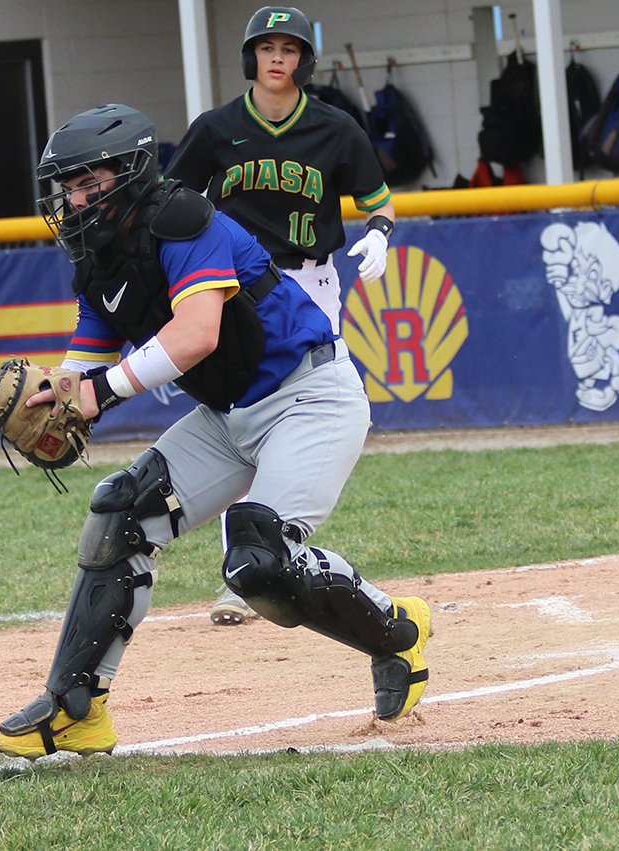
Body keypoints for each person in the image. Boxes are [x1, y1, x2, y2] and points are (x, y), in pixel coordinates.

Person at [0, 105, 431, 761]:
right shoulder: (99, 260)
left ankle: (398, 632)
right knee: (119, 514)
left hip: (310, 396)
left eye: (87, 183)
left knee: (259, 562)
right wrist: (57, 396)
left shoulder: (183, 221)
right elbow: (84, 365)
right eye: (67, 188)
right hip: (228, 415)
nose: (73, 200)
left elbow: (197, 334)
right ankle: (75, 708)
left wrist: (100, 392)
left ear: (130, 173)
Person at [164, 5, 397, 626]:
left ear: (303, 60)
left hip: (310, 284)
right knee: (242, 414)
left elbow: (380, 202)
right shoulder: (216, 129)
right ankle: (241, 572)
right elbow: (169, 203)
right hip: (236, 288)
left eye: (288, 49)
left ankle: (262, 558)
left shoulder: (335, 127)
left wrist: (378, 234)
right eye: (267, 47)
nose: (277, 58)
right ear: (252, 57)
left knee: (297, 419)